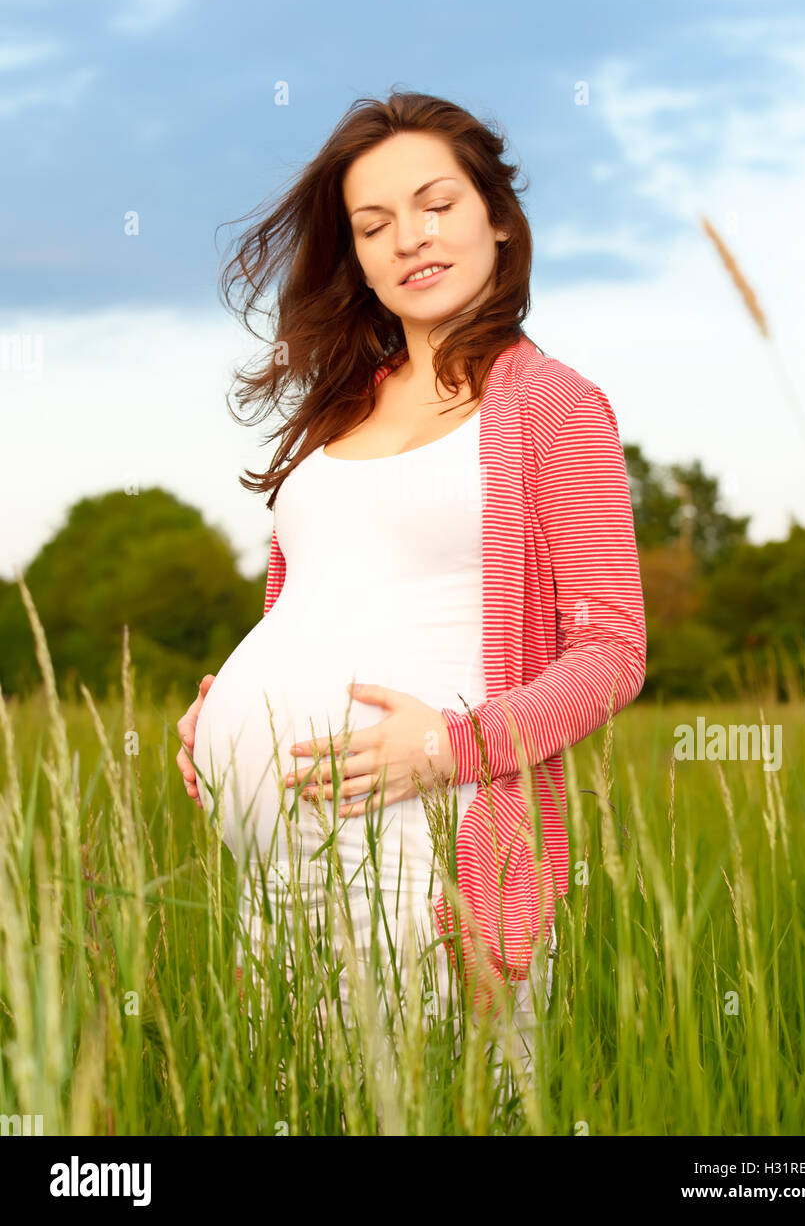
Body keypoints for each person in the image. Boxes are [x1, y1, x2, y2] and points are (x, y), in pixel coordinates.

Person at [176, 90, 647, 1080]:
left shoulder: (551, 406)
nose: (409, 239)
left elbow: (610, 654)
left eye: (435, 204)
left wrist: (448, 746)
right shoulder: (340, 405)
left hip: (424, 839)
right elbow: (318, 601)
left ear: (497, 218)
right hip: (274, 867)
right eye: (373, 224)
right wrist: (226, 714)